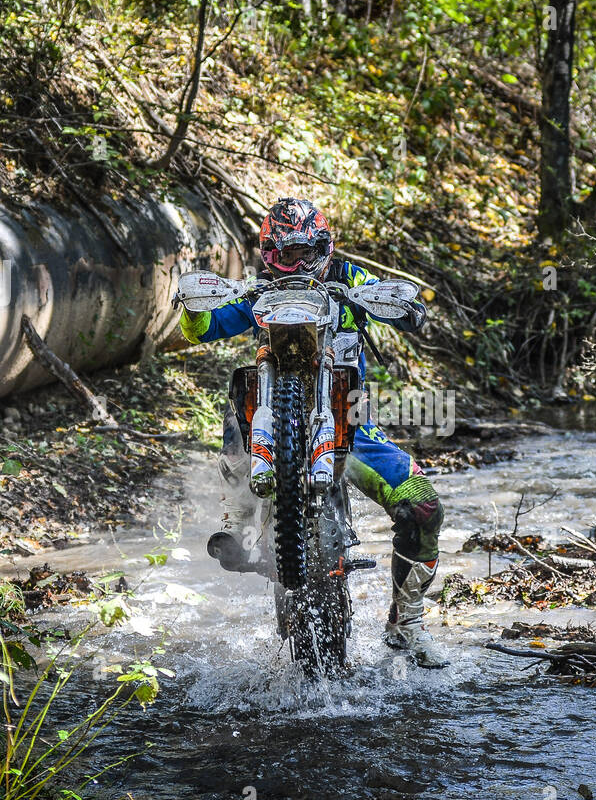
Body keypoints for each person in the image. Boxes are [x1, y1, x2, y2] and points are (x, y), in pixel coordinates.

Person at [177, 197, 448, 669]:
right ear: (267, 253)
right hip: (272, 421)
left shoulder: (347, 277)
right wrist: (192, 302)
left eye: (307, 253)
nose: (296, 264)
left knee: (422, 506)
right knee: (241, 388)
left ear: (324, 247)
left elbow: (402, 306)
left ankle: (408, 622)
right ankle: (237, 514)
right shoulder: (258, 289)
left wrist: (407, 305)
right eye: (286, 255)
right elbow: (203, 328)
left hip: (349, 420)